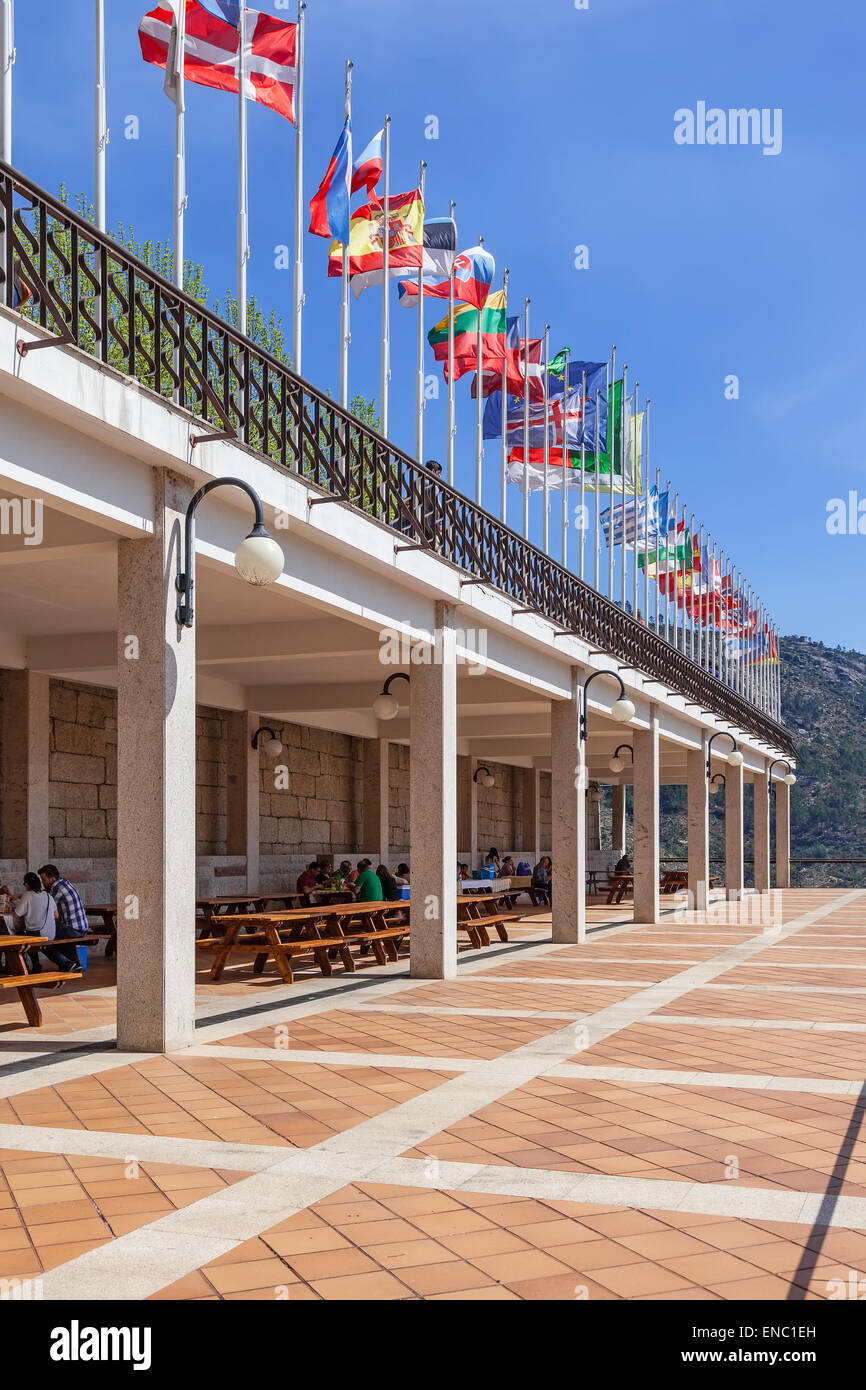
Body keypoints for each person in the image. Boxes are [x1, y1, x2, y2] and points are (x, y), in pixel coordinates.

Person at [37, 865, 88, 973]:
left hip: (73, 929)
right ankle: (75, 963)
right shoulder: (63, 882)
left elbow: (46, 907)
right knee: (55, 934)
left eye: (44, 880)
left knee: (40, 936)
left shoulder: (56, 888)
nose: (42, 883)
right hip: (81, 927)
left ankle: (65, 963)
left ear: (52, 879)